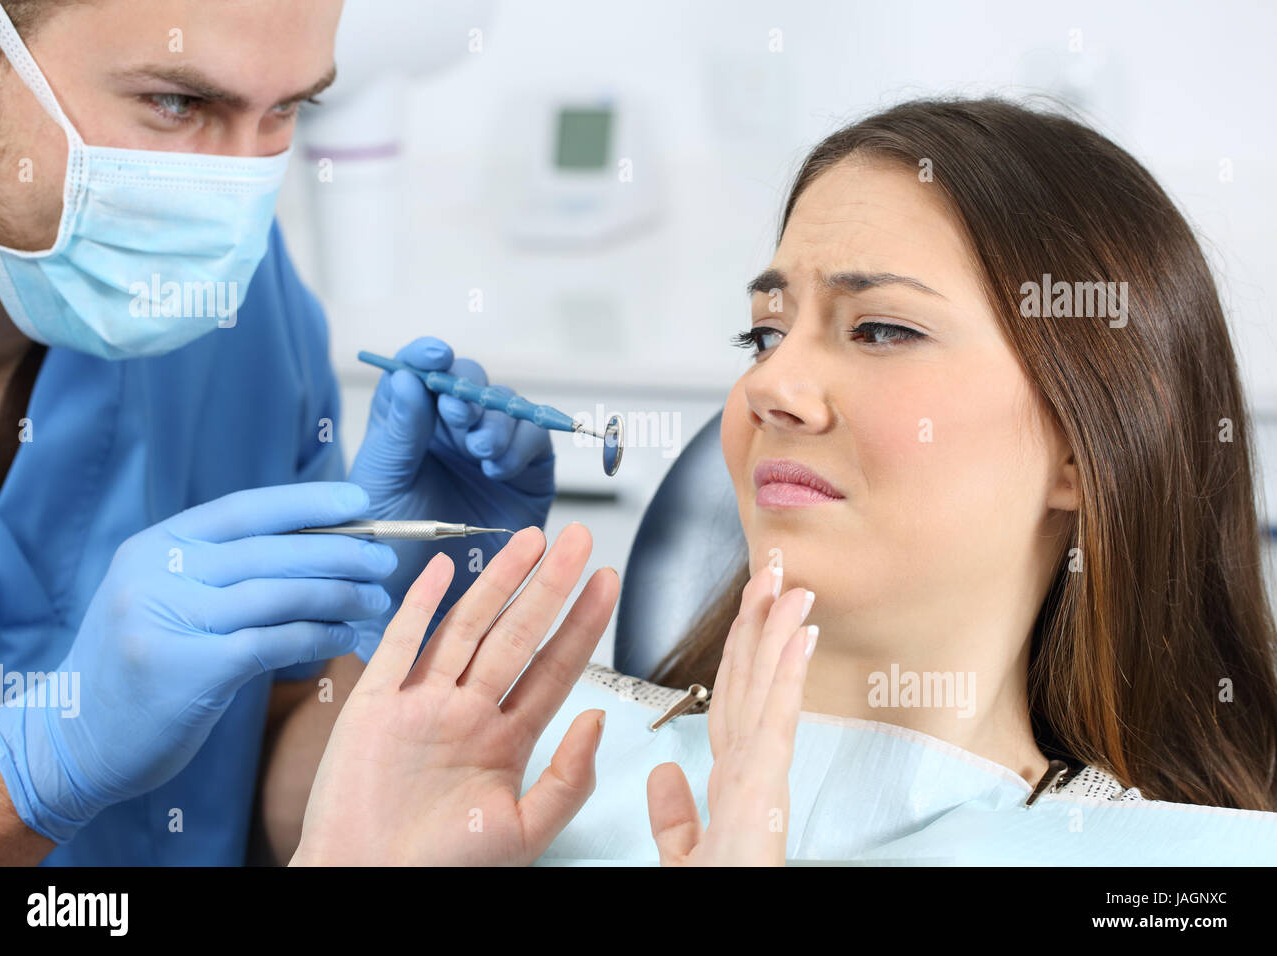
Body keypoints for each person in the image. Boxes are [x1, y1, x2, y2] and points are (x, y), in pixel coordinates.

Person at [290, 97, 1277, 865]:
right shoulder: (508, 754)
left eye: (881, 328)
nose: (769, 382)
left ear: (1082, 444)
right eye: (763, 331)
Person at [0, 0, 573, 865]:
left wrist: (401, 630)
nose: (232, 193)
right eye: (178, 105)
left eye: (290, 109)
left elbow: (271, 780)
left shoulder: (235, 300)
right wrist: (32, 770)